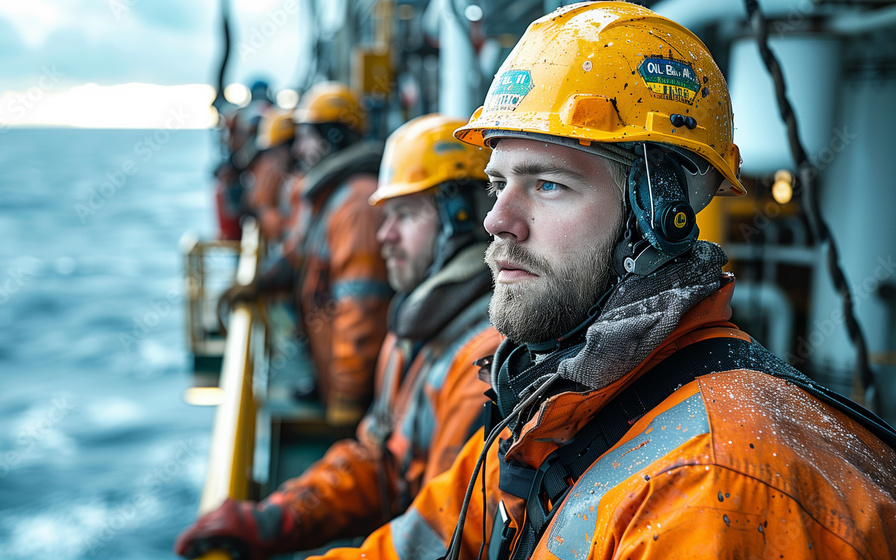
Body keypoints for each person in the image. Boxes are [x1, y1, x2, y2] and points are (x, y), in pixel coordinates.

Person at [307, 3, 896, 559]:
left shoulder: (716, 484)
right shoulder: (554, 403)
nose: (497, 220)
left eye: (548, 184)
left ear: (657, 215)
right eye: (497, 184)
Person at [175, 114, 503, 559]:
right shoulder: (413, 331)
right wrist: (284, 516)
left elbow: (449, 535)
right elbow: (381, 460)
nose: (384, 235)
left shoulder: (480, 364)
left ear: (462, 220)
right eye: (385, 216)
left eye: (405, 215)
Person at [255, 82, 393, 428]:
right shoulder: (331, 194)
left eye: (306, 136)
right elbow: (301, 253)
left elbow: (361, 308)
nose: (298, 148)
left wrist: (348, 394)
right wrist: (261, 282)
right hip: (329, 371)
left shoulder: (356, 206)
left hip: (353, 392)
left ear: (333, 136)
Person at [243, 107, 296, 243]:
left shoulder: (298, 180)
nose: (274, 157)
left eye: (277, 151)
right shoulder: (274, 170)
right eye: (271, 152)